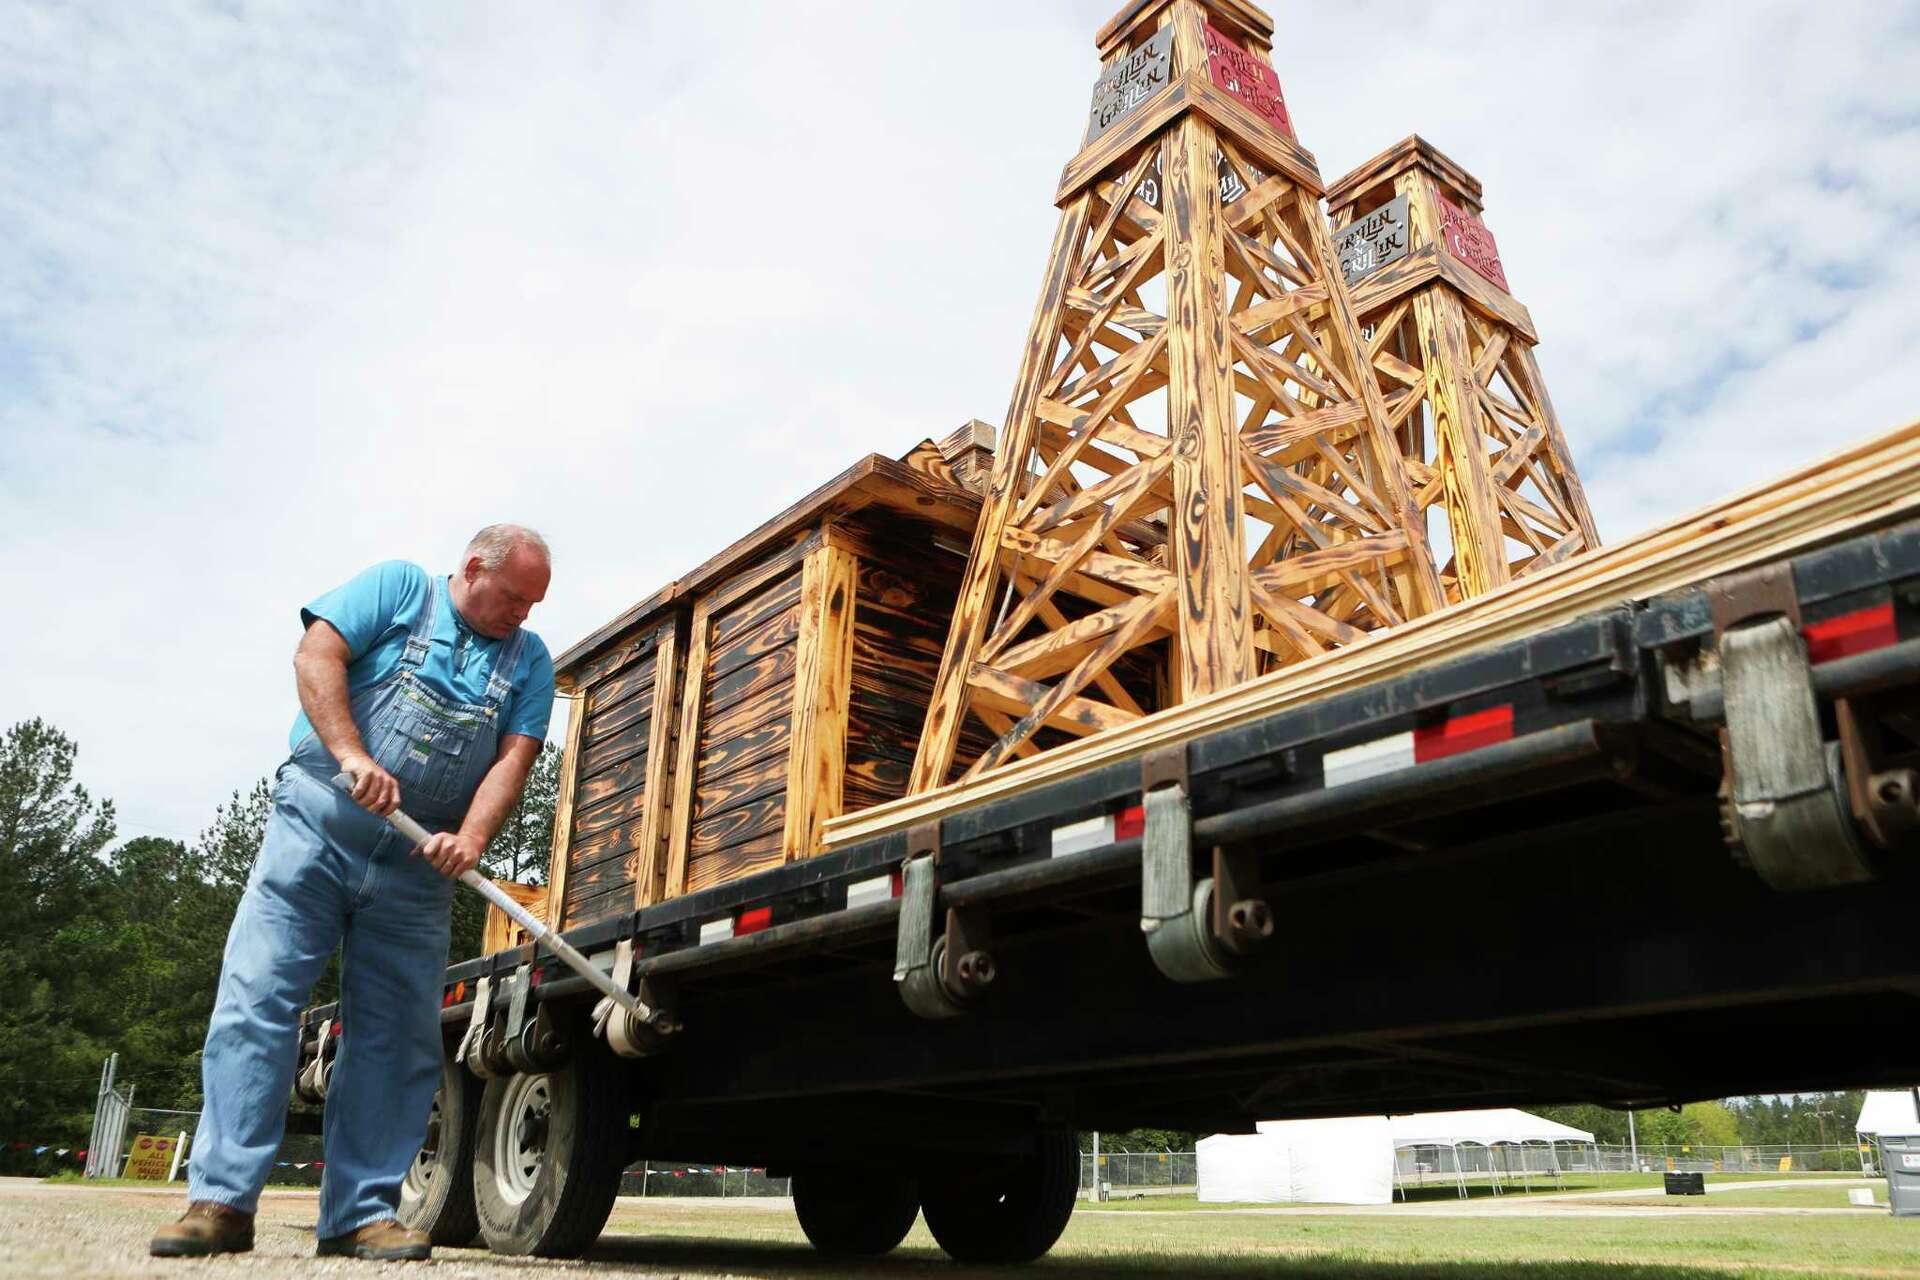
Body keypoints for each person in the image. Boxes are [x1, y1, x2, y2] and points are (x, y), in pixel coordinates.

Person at [151, 525, 556, 1262]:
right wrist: (351, 753)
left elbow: (514, 758)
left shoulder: (528, 661)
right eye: (513, 597)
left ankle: (360, 1214)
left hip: (417, 869)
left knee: (396, 1037)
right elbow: (316, 656)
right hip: (315, 829)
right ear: (473, 567)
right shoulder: (397, 590)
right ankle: (220, 1203)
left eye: (534, 603)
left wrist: (470, 837)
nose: (522, 614)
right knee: (258, 1000)